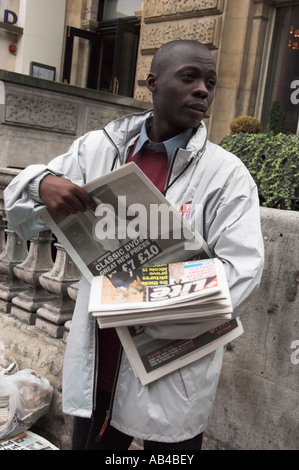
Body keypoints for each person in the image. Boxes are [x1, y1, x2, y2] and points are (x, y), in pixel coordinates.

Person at [4, 40, 264, 450]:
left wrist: (137, 293)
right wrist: (41, 183)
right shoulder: (100, 149)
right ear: (153, 83)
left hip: (170, 368)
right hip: (99, 367)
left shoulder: (226, 175)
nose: (203, 90)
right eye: (189, 77)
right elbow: (20, 214)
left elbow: (242, 271)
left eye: (210, 82)